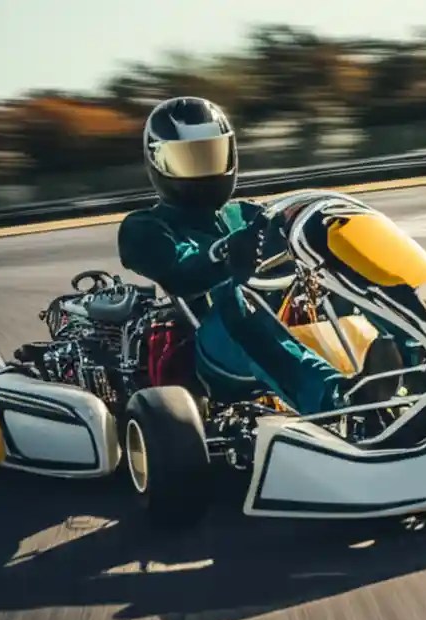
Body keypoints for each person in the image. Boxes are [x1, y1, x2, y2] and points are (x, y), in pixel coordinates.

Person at [116, 96, 353, 415]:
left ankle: (408, 369)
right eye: (189, 160)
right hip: (211, 356)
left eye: (210, 156)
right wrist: (223, 256)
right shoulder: (145, 227)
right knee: (238, 304)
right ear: (158, 163)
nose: (202, 171)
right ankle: (335, 398)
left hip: (288, 333)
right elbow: (180, 270)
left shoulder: (251, 215)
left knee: (341, 279)